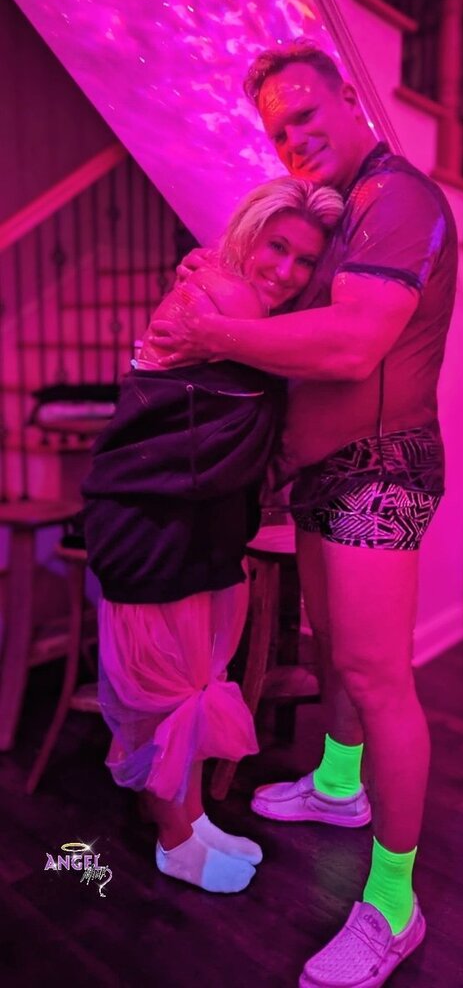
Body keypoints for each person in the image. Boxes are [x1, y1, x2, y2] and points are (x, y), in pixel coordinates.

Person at [148, 39, 458, 986]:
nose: (295, 138)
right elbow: (295, 323)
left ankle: (392, 905)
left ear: (349, 98)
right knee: (334, 652)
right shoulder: (344, 212)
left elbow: (352, 345)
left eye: (307, 114)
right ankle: (335, 785)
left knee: (376, 678)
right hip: (326, 473)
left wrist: (214, 329)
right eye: (280, 131)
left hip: (380, 466)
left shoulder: (396, 197)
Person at [82, 175, 344, 897]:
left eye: (304, 261)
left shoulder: (247, 310)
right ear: (247, 234)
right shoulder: (223, 294)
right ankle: (174, 842)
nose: (285, 272)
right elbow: (321, 353)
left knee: (195, 684)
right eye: (277, 247)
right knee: (162, 694)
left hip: (201, 521)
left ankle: (193, 820)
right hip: (149, 521)